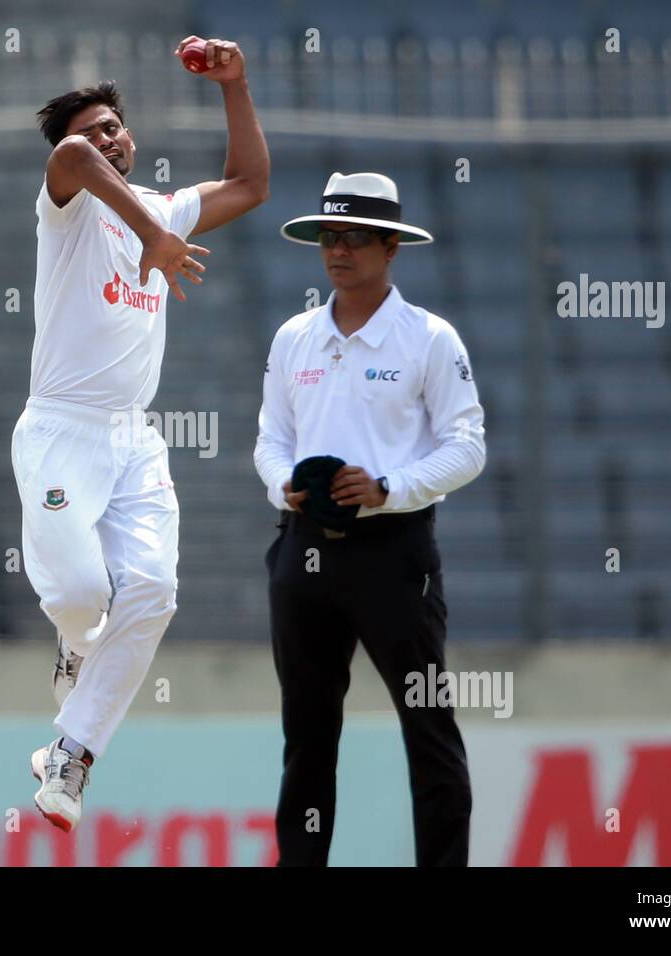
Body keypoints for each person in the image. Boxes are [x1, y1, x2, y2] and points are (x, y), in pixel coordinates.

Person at [15, 37, 269, 831]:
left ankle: (70, 756)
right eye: (98, 128)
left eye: (117, 126)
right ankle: (74, 644)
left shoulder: (163, 208)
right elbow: (68, 154)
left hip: (133, 440)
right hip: (60, 430)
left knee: (154, 590)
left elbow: (251, 184)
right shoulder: (66, 200)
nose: (108, 138)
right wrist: (152, 238)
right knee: (84, 597)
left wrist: (235, 84)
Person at [254, 171, 486, 865]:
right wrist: (283, 485)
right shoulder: (295, 336)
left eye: (356, 237)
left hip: (395, 557)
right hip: (304, 553)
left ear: (392, 247)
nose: (339, 250)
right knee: (307, 734)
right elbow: (270, 440)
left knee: (428, 728)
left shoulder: (428, 338)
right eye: (330, 235)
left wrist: (388, 488)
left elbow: (467, 445)